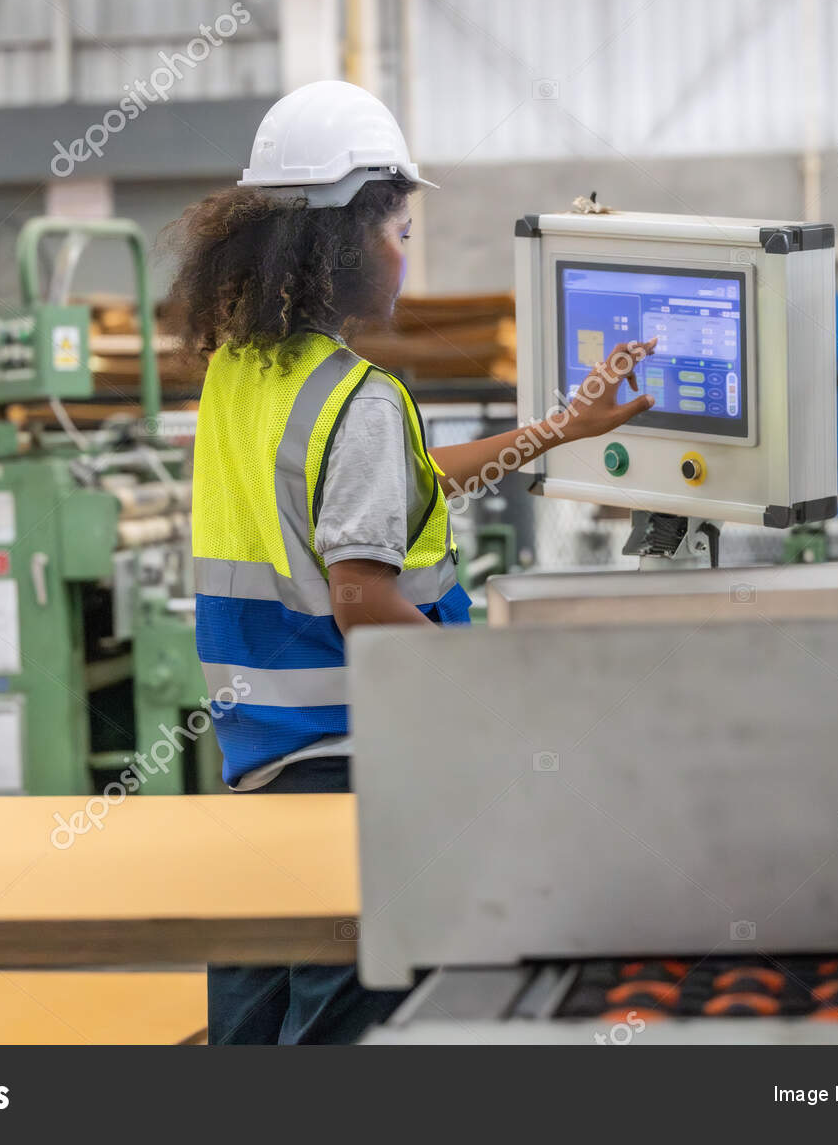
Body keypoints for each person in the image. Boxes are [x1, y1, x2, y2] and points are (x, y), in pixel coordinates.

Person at [174, 80, 657, 1044]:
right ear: (344, 243)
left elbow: (395, 488)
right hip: (359, 772)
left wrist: (559, 428)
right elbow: (361, 598)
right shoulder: (358, 396)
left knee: (251, 1033)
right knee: (348, 1033)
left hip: (263, 766)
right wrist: (497, 683)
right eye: (399, 230)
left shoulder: (243, 372)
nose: (406, 251)